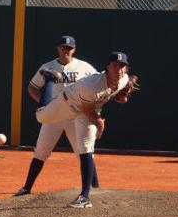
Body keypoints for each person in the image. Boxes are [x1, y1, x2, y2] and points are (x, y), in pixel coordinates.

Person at [34, 51, 137, 208]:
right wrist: (99, 123)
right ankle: (49, 79)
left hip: (88, 109)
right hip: (69, 103)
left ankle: (85, 197)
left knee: (86, 148)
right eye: (115, 65)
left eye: (123, 66)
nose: (119, 69)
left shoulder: (123, 79)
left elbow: (116, 95)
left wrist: (122, 94)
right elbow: (87, 108)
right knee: (41, 116)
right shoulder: (92, 85)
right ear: (107, 67)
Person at [14, 35, 100, 197]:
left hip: (76, 116)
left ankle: (95, 188)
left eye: (69, 48)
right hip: (55, 116)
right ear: (58, 48)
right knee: (41, 151)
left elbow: (97, 84)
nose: (66, 50)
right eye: (63, 47)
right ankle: (26, 188)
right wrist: (44, 103)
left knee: (86, 152)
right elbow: (32, 87)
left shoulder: (84, 67)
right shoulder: (48, 67)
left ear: (74, 49)